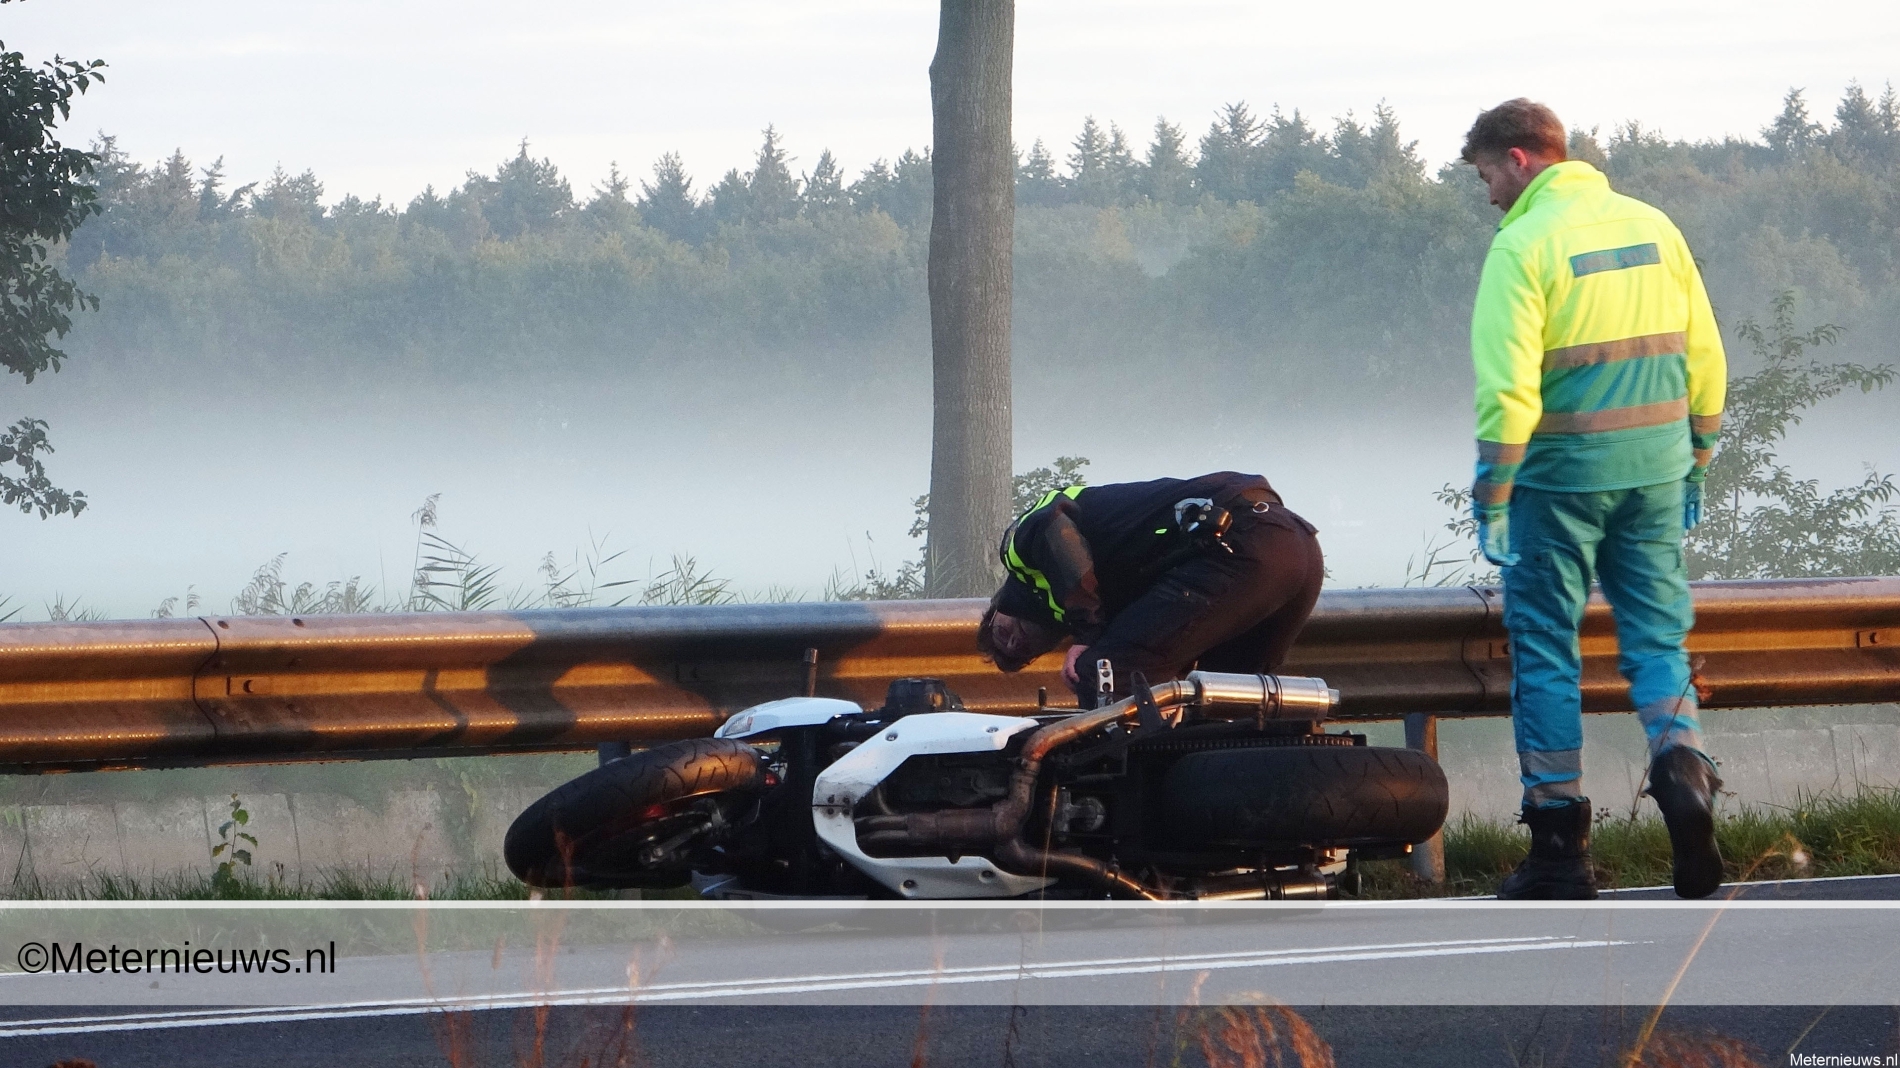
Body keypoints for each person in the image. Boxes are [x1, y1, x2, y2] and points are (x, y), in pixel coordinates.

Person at [1462, 99, 1728, 900]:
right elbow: (1706, 357)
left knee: (1545, 650)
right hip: (1654, 472)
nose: (1486, 195)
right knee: (1656, 640)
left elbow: (1508, 391)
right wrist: (1698, 459)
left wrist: (1493, 494)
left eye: (1483, 175)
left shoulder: (1523, 245)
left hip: (1558, 481)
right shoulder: (1655, 226)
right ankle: (1682, 767)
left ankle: (1558, 847)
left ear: (1517, 159)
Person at [976, 471, 1323, 707]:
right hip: (1293, 545)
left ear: (996, 609)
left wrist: (1088, 635)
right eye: (1020, 652)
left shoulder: (1018, 553)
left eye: (1000, 633)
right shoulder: (1107, 602)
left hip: (1241, 538)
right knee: (1224, 704)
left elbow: (1054, 528)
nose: (1013, 641)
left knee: (1103, 675)